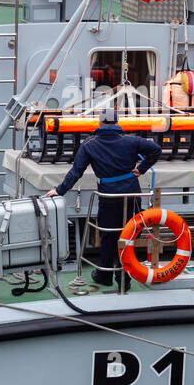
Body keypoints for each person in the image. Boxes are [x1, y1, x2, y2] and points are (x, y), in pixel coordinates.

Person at [45, 107, 161, 288]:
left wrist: (59, 190)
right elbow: (155, 149)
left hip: (108, 197)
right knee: (128, 234)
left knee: (108, 235)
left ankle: (104, 274)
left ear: (99, 123)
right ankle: (124, 278)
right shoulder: (132, 141)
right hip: (131, 194)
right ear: (117, 123)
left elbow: (76, 172)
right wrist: (141, 168)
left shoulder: (90, 145)